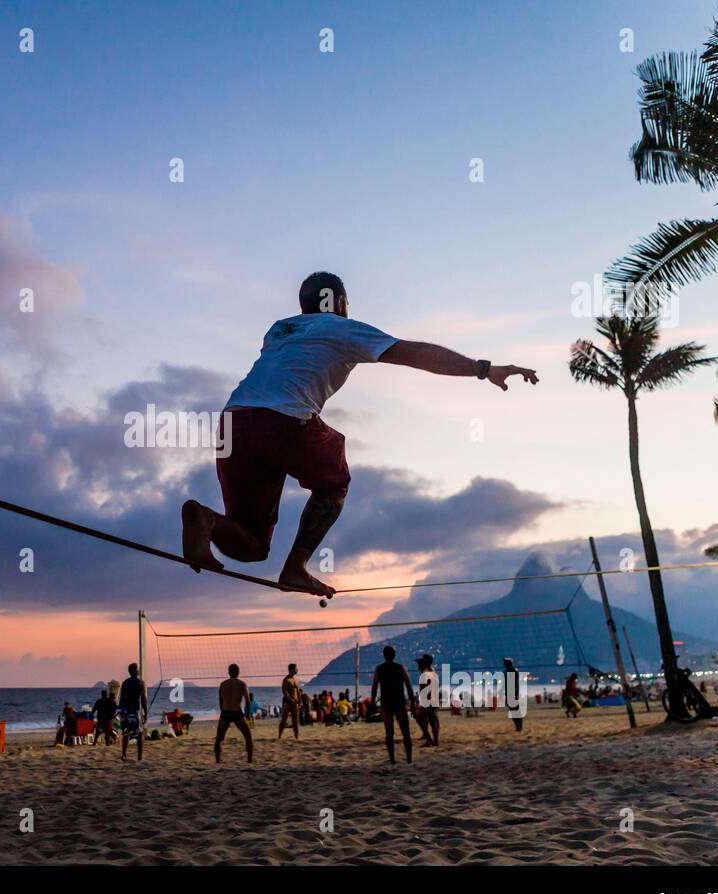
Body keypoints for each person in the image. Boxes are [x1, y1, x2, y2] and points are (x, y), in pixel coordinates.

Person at [180, 271, 538, 596]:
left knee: (252, 546)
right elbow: (416, 354)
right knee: (334, 480)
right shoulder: (343, 328)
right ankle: (295, 568)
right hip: (284, 420)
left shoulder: (279, 329)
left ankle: (206, 519)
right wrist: (483, 369)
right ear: (338, 302)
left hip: (234, 423)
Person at [372, 647, 415, 764]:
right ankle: (409, 759)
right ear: (394, 655)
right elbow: (409, 686)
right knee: (406, 733)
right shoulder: (400, 668)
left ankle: (392, 760)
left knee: (389, 734)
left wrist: (373, 702)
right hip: (399, 702)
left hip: (386, 703)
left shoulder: (379, 669)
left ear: (384, 655)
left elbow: (374, 686)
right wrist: (412, 702)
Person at [214, 664, 254, 764]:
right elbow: (248, 701)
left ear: (229, 672)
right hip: (237, 713)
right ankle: (249, 761)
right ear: (238, 672)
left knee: (219, 739)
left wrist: (223, 713)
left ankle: (218, 761)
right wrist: (248, 715)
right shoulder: (242, 684)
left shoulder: (223, 684)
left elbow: (220, 702)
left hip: (225, 713)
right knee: (248, 737)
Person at [118, 663, 148, 762]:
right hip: (134, 710)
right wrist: (145, 712)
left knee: (126, 732)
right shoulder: (140, 682)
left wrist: (120, 711)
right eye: (138, 669)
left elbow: (121, 698)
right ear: (135, 671)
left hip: (123, 710)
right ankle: (139, 757)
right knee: (139, 733)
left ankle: (124, 755)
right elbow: (143, 699)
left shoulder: (124, 683)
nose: (139, 671)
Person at [415, 654, 440, 747]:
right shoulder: (432, 671)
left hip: (428, 700)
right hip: (433, 698)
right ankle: (435, 741)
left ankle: (429, 739)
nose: (418, 666)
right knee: (432, 720)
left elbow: (424, 688)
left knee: (420, 718)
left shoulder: (426, 673)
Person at [279, 663, 302, 739]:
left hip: (295, 701)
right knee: (284, 720)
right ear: (292, 669)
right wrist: (290, 700)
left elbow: (298, 691)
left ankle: (296, 737)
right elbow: (284, 691)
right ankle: (279, 735)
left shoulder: (295, 679)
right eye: (296, 668)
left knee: (295, 721)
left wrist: (300, 701)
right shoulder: (286, 680)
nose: (297, 669)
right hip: (287, 701)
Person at [502, 658, 524, 731]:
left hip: (512, 693)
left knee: (515, 711)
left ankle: (519, 727)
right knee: (513, 711)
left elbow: (511, 684)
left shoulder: (512, 671)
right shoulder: (509, 671)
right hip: (511, 693)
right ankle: (518, 727)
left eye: (505, 662)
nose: (504, 663)